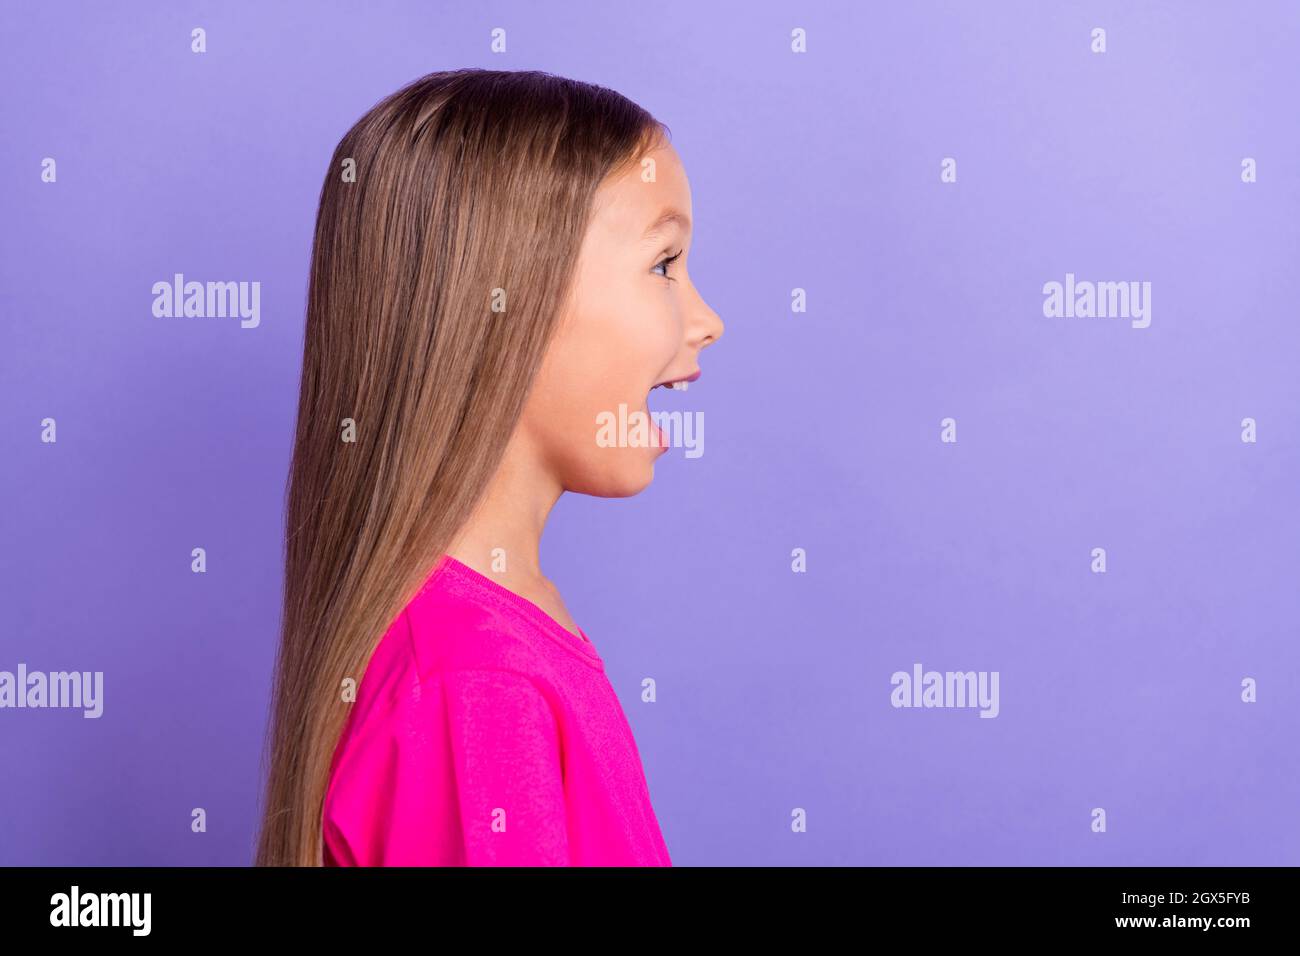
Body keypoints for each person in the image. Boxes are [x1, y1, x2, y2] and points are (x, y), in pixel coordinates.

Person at [255, 68, 723, 866]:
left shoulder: (497, 641)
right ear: (506, 304)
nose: (708, 321)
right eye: (663, 264)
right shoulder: (475, 688)